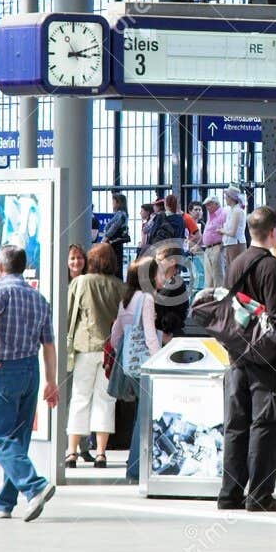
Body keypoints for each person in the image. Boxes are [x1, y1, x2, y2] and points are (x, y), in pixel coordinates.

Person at [216, 205, 276, 513]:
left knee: (237, 423)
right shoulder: (269, 266)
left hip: (238, 355)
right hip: (266, 359)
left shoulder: (236, 262)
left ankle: (230, 494)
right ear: (274, 232)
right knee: (269, 422)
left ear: (250, 231)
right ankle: (260, 495)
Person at [0, 246, 59, 520]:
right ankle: (5, 503)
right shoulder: (39, 298)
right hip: (30, 371)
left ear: (0, 267)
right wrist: (51, 381)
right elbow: (49, 344)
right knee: (17, 440)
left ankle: (35, 486)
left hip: (3, 369)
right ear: (24, 266)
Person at [65, 243, 126, 470]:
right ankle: (100, 453)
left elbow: (70, 314)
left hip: (85, 346)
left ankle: (72, 452)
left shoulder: (80, 283)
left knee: (80, 397)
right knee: (105, 400)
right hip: (110, 351)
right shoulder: (119, 286)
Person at [112, 252, 171, 482]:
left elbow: (116, 333)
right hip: (144, 365)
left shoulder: (127, 298)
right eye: (159, 273)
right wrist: (158, 363)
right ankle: (136, 468)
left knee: (140, 413)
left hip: (128, 364)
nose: (163, 278)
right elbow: (149, 335)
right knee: (144, 416)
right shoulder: (146, 299)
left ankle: (133, 466)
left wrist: (123, 352)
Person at [218, 188, 248, 284]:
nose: (225, 199)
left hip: (236, 244)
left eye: (226, 196)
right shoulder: (233, 210)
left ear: (231, 198)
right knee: (232, 270)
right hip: (232, 244)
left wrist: (222, 231)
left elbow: (233, 232)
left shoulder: (237, 211)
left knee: (235, 271)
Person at [199, 198, 225, 290]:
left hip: (217, 247)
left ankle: (219, 300)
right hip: (208, 249)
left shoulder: (223, 214)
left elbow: (227, 230)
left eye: (209, 204)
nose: (207, 207)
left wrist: (222, 245)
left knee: (218, 276)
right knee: (209, 278)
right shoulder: (210, 216)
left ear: (216, 204)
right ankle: (211, 299)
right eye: (206, 205)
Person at [103, 192, 131, 271]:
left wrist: (106, 237)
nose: (112, 204)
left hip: (114, 242)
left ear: (118, 203)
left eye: (113, 202)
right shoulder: (123, 214)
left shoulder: (120, 214)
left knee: (115, 263)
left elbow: (114, 227)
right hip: (117, 242)